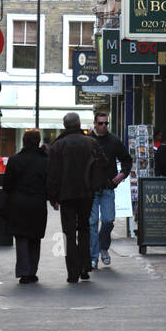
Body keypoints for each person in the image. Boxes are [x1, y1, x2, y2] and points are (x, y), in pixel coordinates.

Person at [46, 111, 102, 284]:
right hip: (86, 193)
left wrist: (52, 196)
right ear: (78, 124)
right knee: (84, 228)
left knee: (69, 233)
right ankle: (85, 266)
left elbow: (53, 173)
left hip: (66, 194)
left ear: (65, 126)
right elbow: (101, 165)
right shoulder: (91, 142)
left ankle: (73, 272)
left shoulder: (58, 145)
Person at [2, 130, 49, 283]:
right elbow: (49, 183)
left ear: (24, 142)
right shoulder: (45, 161)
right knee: (35, 237)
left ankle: (24, 271)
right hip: (38, 202)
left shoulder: (15, 160)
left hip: (19, 202)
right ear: (38, 142)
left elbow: (7, 185)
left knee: (21, 237)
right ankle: (32, 271)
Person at [89, 111, 132, 270]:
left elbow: (127, 159)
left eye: (106, 123)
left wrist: (122, 174)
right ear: (95, 123)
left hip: (108, 187)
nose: (103, 126)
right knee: (92, 223)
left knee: (108, 220)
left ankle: (103, 247)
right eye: (100, 123)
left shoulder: (113, 140)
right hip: (92, 188)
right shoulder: (88, 141)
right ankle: (93, 257)